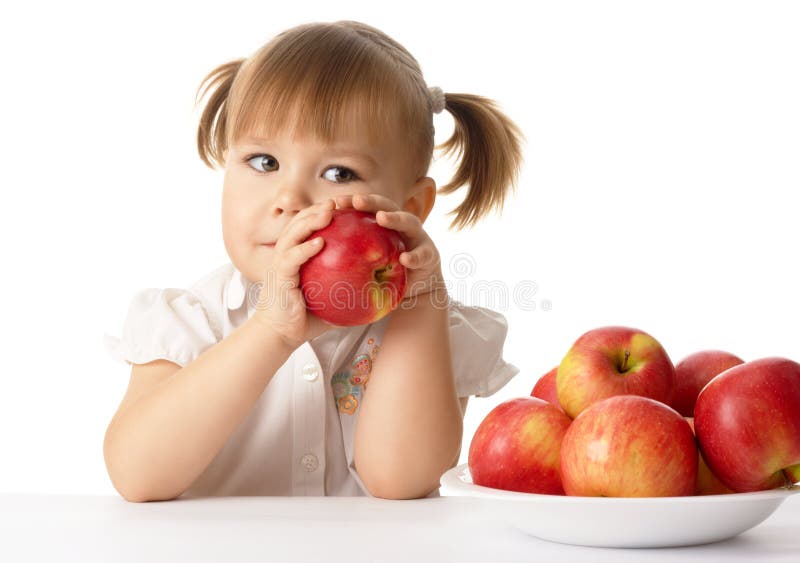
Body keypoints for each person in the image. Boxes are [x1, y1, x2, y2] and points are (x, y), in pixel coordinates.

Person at [103, 20, 525, 502]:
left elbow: (401, 480)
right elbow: (137, 476)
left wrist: (419, 302)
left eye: (338, 173)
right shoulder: (190, 323)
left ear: (410, 208)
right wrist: (270, 332)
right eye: (264, 162)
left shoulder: (428, 332)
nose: (289, 198)